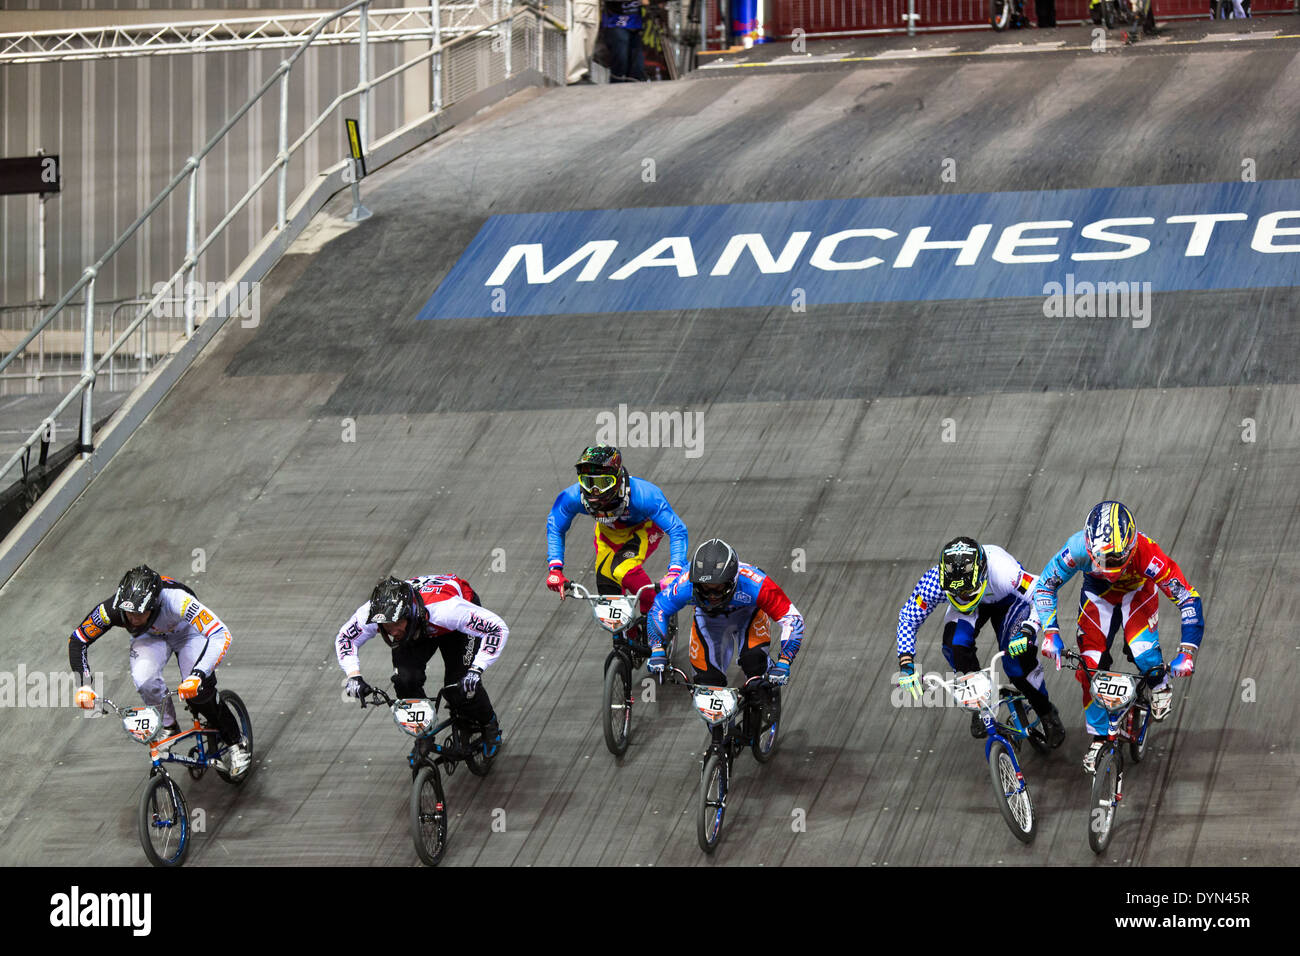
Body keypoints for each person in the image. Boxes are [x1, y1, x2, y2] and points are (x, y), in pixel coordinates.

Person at [1021, 501, 1205, 772]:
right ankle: (1098, 737)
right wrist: (1051, 632)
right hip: (1098, 596)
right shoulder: (1076, 548)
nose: (1108, 567)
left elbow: (1188, 598)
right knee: (1089, 667)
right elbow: (1045, 586)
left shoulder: (1148, 554)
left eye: (1116, 560)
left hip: (1137, 594)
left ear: (1131, 547)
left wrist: (1187, 652)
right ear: (1089, 545)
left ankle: (1159, 681)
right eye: (1102, 560)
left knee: (1144, 654)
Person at [68, 565, 250, 776]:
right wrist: (84, 685)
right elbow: (78, 640)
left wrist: (198, 675)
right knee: (145, 680)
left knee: (198, 692)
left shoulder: (177, 600)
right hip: (150, 637)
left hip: (187, 632)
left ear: (154, 606)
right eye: (128, 613)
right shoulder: (112, 610)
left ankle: (236, 742)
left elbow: (220, 633)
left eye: (139, 613)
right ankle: (168, 726)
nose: (132, 619)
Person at [896, 537, 1066, 747]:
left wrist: (1029, 628)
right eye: (956, 593)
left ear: (982, 574)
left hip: (1008, 601)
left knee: (1016, 659)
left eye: (967, 592)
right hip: (976, 606)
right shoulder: (935, 582)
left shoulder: (1004, 572)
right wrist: (906, 664)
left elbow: (1042, 593)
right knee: (955, 647)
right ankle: (979, 697)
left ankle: (1045, 709)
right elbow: (908, 618)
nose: (962, 597)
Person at [336, 574, 506, 756]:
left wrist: (476, 669)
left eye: (396, 623)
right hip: (417, 628)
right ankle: (423, 732)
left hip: (454, 626)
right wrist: (353, 675)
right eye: (386, 626)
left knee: (460, 685)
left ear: (410, 613)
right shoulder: (372, 613)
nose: (392, 631)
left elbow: (496, 628)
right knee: (405, 680)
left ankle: (489, 724)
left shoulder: (448, 610)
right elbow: (346, 637)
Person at [646, 538, 804, 723]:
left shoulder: (757, 584)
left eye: (718, 587)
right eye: (705, 588)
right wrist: (657, 648)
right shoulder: (685, 584)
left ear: (732, 580)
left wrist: (785, 660)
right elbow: (658, 608)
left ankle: (765, 685)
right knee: (707, 683)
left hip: (747, 616)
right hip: (709, 620)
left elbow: (792, 618)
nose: (712, 594)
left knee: (754, 662)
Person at [545, 445, 688, 640]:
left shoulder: (645, 495)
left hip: (644, 530)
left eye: (603, 483)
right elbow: (555, 525)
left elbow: (677, 530)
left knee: (621, 569)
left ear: (618, 479)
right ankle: (627, 636)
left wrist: (675, 571)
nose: (594, 491)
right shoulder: (573, 496)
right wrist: (555, 569)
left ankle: (657, 610)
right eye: (588, 482)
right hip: (608, 534)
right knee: (606, 586)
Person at [602, 0, 648, 82]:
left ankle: (635, 90)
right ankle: (616, 88)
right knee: (620, 61)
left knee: (637, 66)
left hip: (635, 24)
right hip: (615, 23)